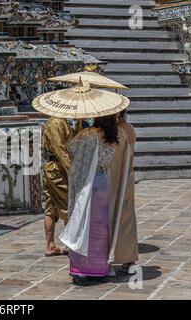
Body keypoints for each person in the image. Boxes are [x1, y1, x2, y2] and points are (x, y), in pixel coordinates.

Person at [59, 114, 129, 285]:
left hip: (86, 183)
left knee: (83, 225)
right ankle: (100, 267)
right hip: (103, 182)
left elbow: (72, 153)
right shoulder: (114, 137)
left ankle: (81, 269)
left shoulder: (86, 134)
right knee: (101, 226)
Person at [42, 117, 81, 257]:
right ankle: (71, 244)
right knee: (68, 204)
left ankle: (50, 245)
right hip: (56, 169)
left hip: (54, 168)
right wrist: (72, 169)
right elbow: (60, 150)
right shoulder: (56, 123)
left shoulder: (63, 122)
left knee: (51, 206)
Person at [112, 110, 139, 273]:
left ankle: (116, 257)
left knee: (114, 218)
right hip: (126, 177)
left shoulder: (116, 131)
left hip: (115, 178)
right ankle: (128, 258)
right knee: (127, 218)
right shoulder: (129, 128)